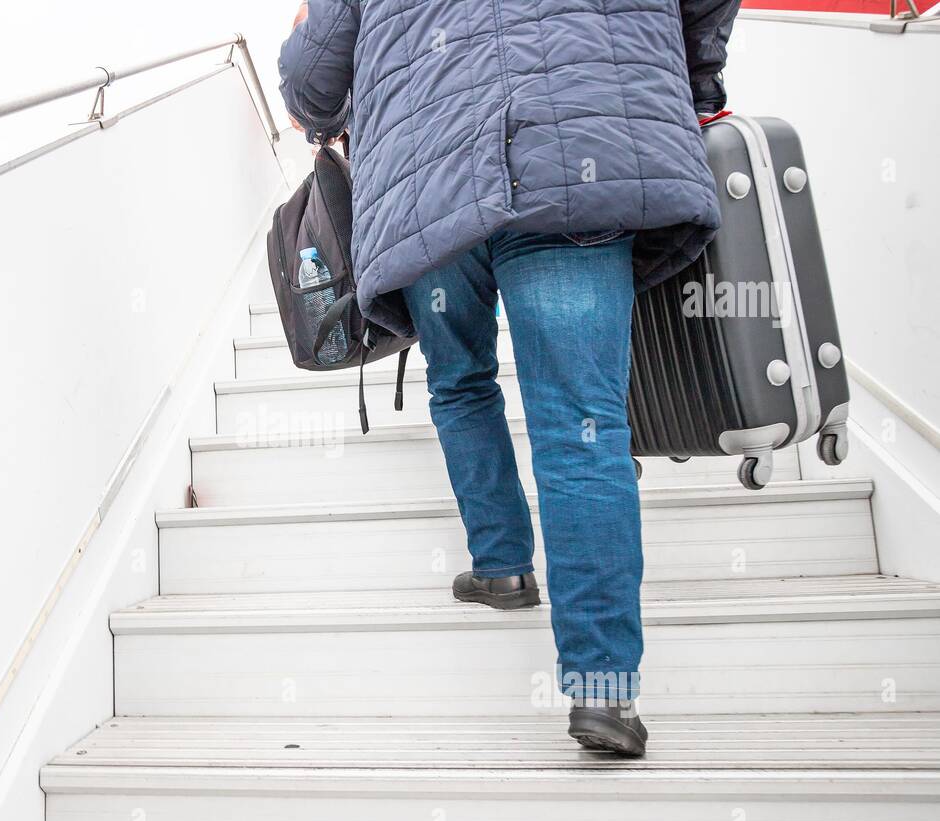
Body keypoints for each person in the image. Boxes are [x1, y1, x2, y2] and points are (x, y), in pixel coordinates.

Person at [279, 0, 740, 757]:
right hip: (579, 147)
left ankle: (501, 567)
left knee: (459, 381)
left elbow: (309, 83)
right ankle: (603, 692)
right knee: (580, 422)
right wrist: (687, 79)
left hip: (430, 175)